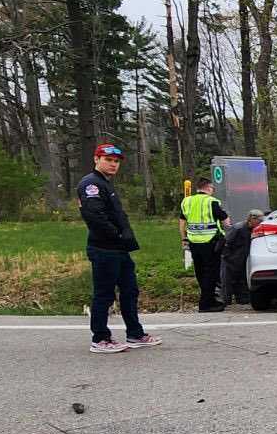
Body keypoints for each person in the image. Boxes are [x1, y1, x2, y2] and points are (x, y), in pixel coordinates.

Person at [79, 144, 160, 354]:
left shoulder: (105, 184)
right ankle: (100, 338)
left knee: (130, 291)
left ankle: (135, 333)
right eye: (108, 160)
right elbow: (96, 217)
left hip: (119, 249)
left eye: (116, 162)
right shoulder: (91, 184)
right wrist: (117, 236)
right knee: (104, 295)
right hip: (104, 248)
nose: (113, 165)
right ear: (97, 159)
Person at [178, 176, 229, 312]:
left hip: (193, 242)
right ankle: (206, 303)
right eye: (212, 188)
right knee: (211, 273)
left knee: (200, 272)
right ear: (207, 188)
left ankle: (208, 299)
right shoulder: (212, 201)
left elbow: (182, 222)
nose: (213, 191)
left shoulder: (187, 201)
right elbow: (226, 221)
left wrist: (184, 239)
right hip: (211, 242)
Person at [220, 209, 264, 308]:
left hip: (243, 259)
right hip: (230, 259)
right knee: (227, 281)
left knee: (241, 280)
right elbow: (226, 242)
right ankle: (226, 301)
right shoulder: (238, 228)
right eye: (259, 220)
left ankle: (242, 299)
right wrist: (226, 256)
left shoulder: (255, 229)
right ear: (251, 219)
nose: (260, 223)